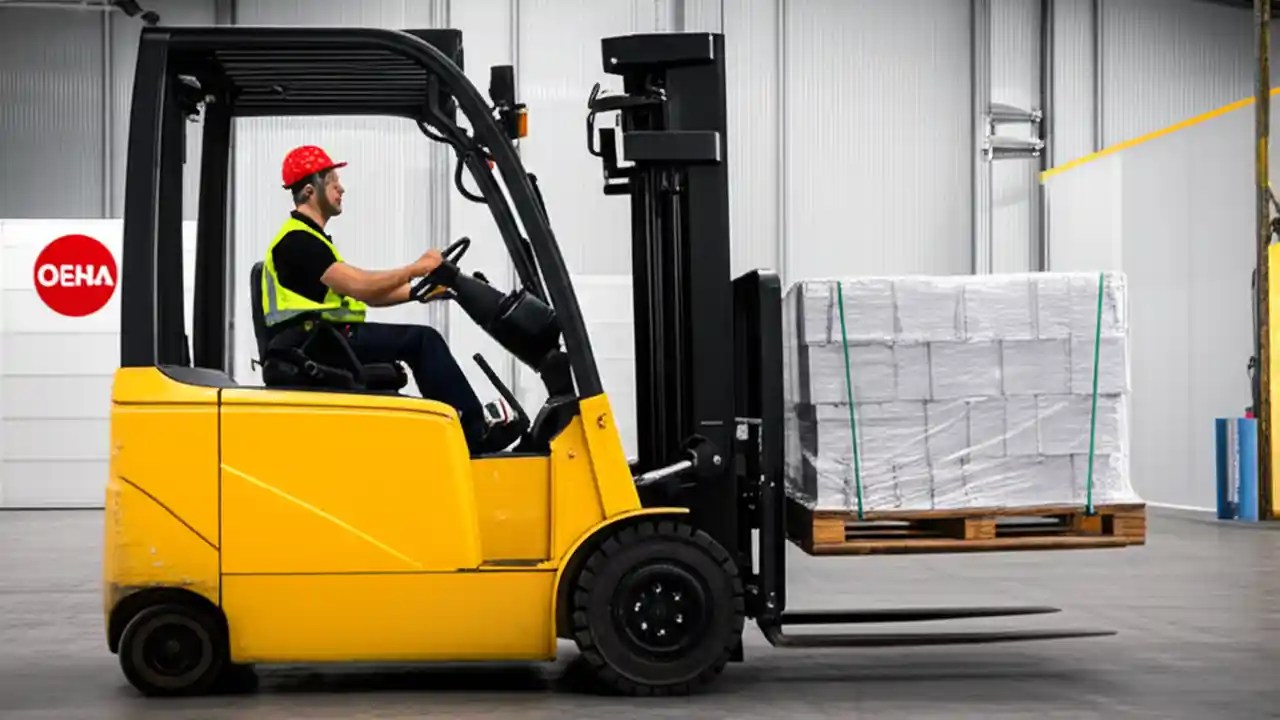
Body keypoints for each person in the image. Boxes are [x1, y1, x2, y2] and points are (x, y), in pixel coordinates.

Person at [262, 144, 520, 454]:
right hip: (315, 347)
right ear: (309, 190)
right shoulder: (298, 241)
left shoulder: (310, 238)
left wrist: (418, 291)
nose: (341, 188)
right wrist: (416, 268)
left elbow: (368, 296)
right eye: (332, 182)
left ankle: (464, 430)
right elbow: (363, 286)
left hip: (325, 341)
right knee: (423, 341)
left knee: (418, 340)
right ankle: (473, 433)